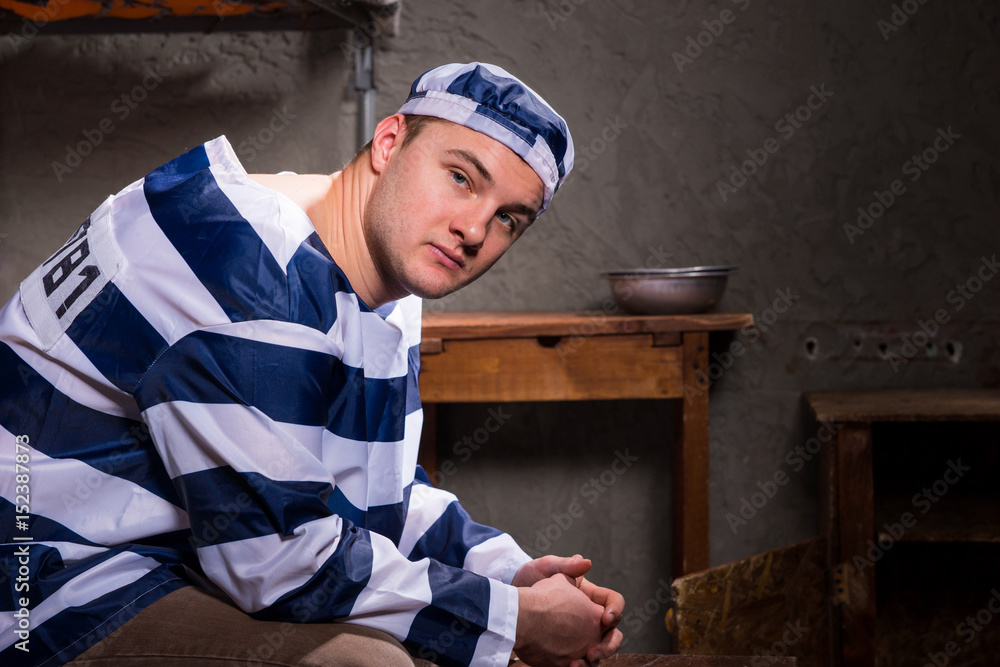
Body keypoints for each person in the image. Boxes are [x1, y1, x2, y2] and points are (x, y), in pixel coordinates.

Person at [0, 62, 624, 666]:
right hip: (42, 591)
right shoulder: (246, 264)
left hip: (171, 561)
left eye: (507, 219)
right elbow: (274, 561)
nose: (473, 228)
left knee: (427, 634)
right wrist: (517, 619)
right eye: (461, 178)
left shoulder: (376, 275)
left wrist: (509, 571)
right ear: (389, 142)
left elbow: (380, 493)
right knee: (365, 661)